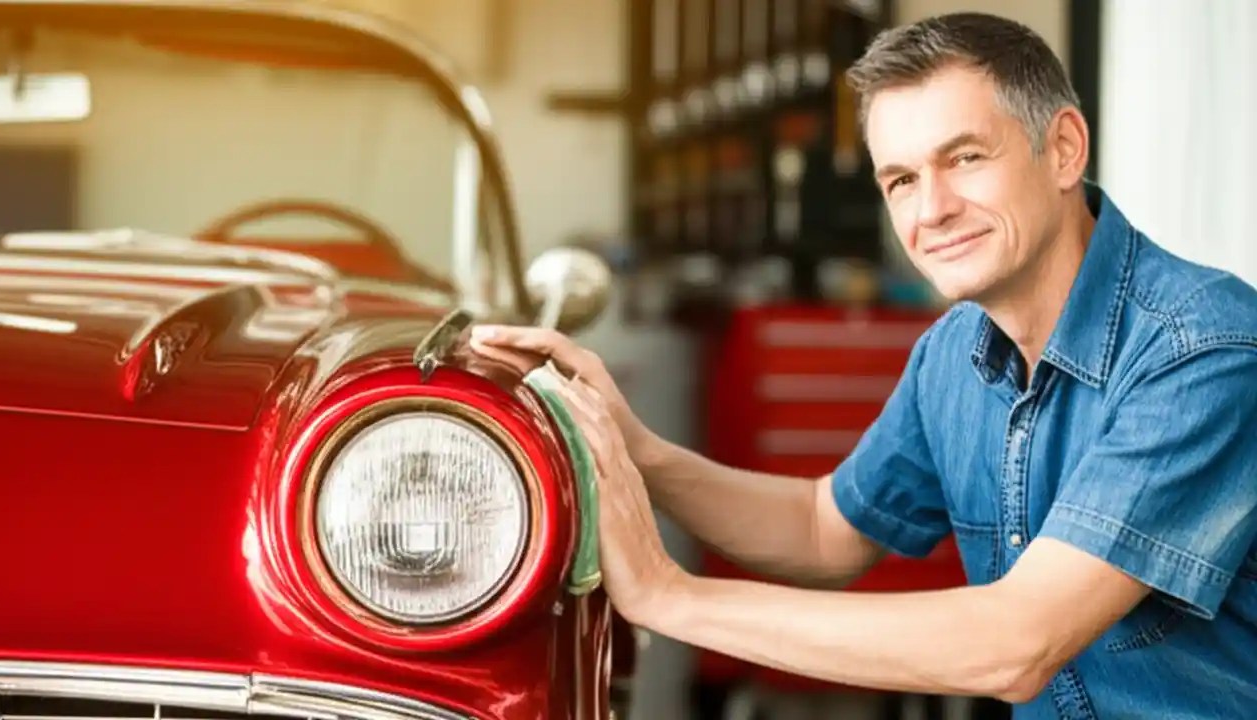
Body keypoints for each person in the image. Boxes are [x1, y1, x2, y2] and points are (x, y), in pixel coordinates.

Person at [468, 11, 1257, 718]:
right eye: (902, 179)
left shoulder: (1203, 351)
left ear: (1063, 149)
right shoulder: (953, 352)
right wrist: (640, 451)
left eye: (966, 158)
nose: (931, 208)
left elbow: (1017, 642)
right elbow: (824, 530)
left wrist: (673, 597)